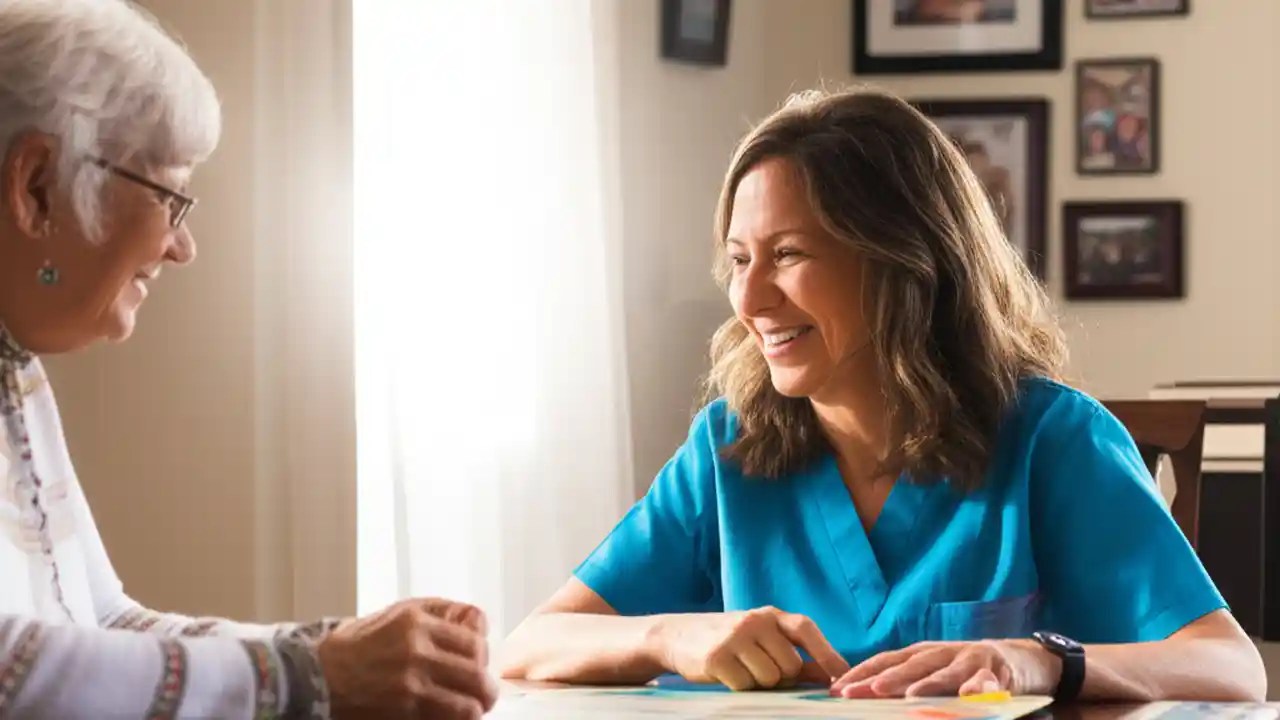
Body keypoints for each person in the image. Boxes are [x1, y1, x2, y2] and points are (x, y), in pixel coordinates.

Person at [499, 88, 1267, 702]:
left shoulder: (1053, 440)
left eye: (789, 254)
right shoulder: (724, 449)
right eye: (739, 260)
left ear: (905, 264)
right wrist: (668, 638)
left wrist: (1036, 659)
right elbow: (532, 645)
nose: (751, 298)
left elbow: (1231, 667)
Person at [0, 1, 497, 718]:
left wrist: (345, 647)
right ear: (36, 184)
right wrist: (312, 675)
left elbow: (102, 620)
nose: (182, 245)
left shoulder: (18, 373)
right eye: (170, 195)